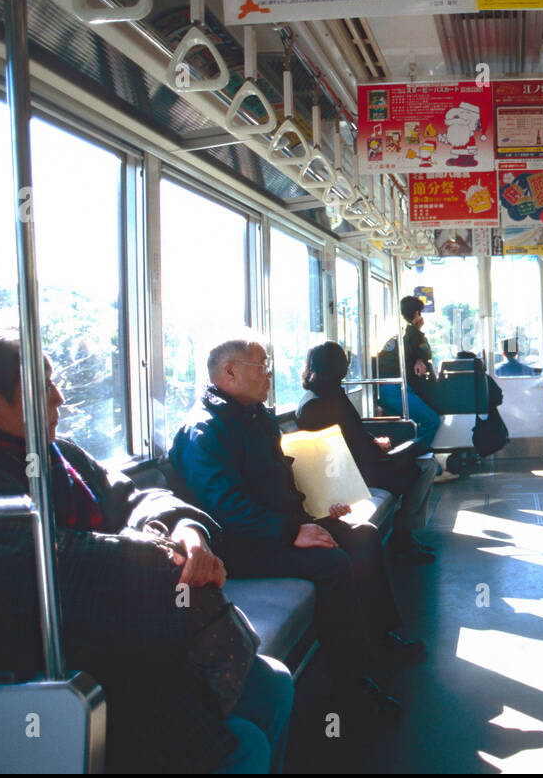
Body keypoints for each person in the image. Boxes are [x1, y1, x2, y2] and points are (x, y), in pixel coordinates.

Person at [0, 330, 293, 773]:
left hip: (113, 650)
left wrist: (186, 528)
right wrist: (162, 554)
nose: (59, 397)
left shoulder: (58, 456)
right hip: (42, 683)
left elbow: (132, 498)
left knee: (273, 686)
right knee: (245, 746)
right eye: (42, 386)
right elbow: (58, 568)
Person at [169, 333, 423, 723]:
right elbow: (226, 509)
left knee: (362, 537)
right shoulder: (206, 431)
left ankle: (379, 637)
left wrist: (318, 511)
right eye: (261, 367)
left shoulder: (254, 418)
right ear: (230, 371)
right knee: (332, 564)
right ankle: (349, 688)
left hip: (273, 528)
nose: (269, 375)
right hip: (235, 546)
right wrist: (293, 533)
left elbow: (282, 481)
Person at [296, 341, 437, 565]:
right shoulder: (318, 404)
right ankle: (403, 537)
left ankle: (406, 535)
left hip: (360, 461)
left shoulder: (327, 393)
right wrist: (375, 448)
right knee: (424, 466)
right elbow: (343, 447)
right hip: (354, 471)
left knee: (423, 460)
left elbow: (354, 432)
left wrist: (374, 442)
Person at [376, 295, 440, 453]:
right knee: (432, 420)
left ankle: (416, 459)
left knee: (412, 425)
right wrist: (418, 331)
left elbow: (410, 354)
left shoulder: (397, 332)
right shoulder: (413, 332)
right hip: (396, 390)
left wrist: (418, 359)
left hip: (385, 389)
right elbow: (427, 352)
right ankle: (420, 459)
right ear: (417, 313)